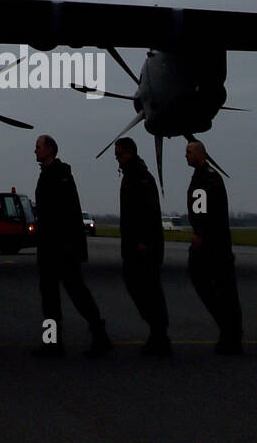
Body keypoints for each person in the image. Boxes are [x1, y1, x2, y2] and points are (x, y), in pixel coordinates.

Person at [33, 134, 111, 358]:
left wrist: (68, 245)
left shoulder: (58, 176)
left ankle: (96, 336)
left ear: (50, 150)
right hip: (51, 248)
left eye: (38, 147)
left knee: (73, 294)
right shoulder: (53, 175)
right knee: (51, 299)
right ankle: (52, 342)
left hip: (61, 249)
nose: (35, 151)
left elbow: (66, 214)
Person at [185, 140, 242, 354]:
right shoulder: (207, 176)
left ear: (200, 154)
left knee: (218, 289)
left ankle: (231, 334)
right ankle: (230, 333)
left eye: (189, 152)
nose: (186, 156)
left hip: (212, 245)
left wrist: (200, 233)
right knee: (224, 291)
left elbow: (203, 211)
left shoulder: (205, 179)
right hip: (217, 243)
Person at [114, 137, 170, 355]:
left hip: (143, 248)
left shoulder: (141, 178)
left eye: (119, 154)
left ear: (129, 153)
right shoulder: (132, 176)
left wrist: (144, 242)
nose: (117, 159)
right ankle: (157, 331)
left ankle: (159, 334)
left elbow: (149, 213)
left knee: (149, 289)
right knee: (136, 285)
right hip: (133, 246)